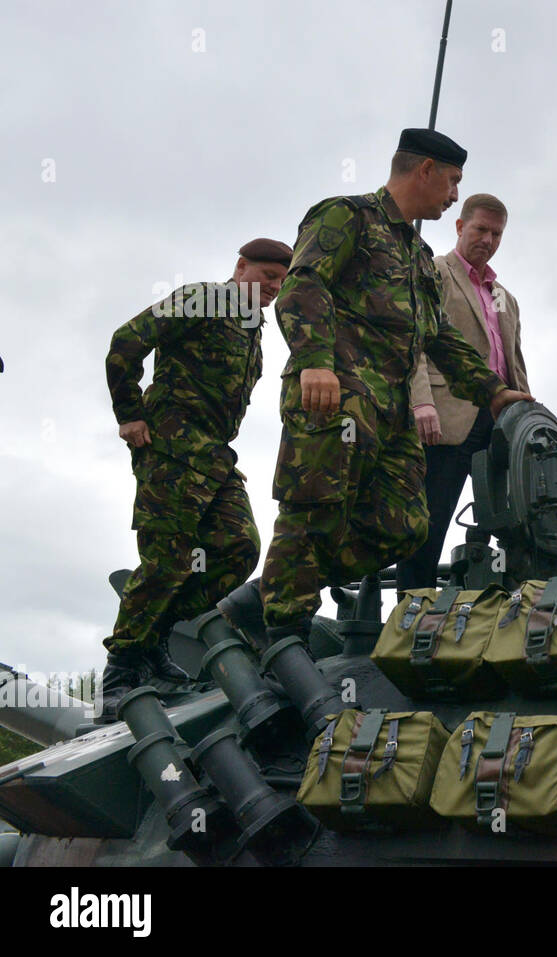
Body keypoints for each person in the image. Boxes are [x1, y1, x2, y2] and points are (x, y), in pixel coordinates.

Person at [260, 129, 533, 645]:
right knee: (311, 511)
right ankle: (281, 637)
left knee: (408, 526)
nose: (454, 193)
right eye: (452, 181)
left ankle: (276, 586)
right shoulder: (347, 216)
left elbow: (439, 335)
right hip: (336, 398)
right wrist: (315, 361)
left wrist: (493, 391)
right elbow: (303, 284)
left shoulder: (415, 252)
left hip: (390, 416)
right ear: (425, 170)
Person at [101, 237, 292, 719]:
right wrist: (130, 413)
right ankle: (121, 669)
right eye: (267, 276)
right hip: (169, 446)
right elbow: (126, 341)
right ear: (241, 266)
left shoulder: (252, 327)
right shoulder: (204, 299)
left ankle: (155, 643)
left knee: (239, 546)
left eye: (281, 280)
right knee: (166, 559)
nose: (274, 287)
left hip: (213, 457)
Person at [396, 193, 529, 593]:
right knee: (429, 522)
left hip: (502, 421)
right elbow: (413, 342)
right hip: (449, 414)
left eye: (496, 234)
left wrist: (527, 419)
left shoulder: (506, 298)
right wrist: (421, 401)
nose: (488, 240)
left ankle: (501, 606)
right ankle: (412, 608)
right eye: (480, 230)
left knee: (512, 523)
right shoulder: (434, 272)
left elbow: (513, 363)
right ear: (459, 226)